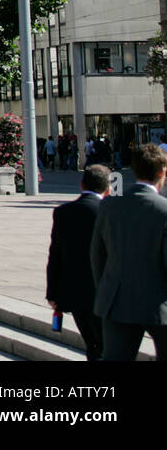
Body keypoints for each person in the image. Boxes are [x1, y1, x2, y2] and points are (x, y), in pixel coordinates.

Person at [90, 144, 167, 360]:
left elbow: (97, 255)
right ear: (162, 172)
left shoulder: (109, 206)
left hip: (116, 301)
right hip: (159, 304)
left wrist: (105, 289)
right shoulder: (164, 210)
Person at [45, 164, 111, 361]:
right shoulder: (109, 212)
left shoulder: (63, 212)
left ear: (82, 185)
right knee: (107, 344)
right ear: (108, 189)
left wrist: (52, 292)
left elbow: (54, 255)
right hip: (105, 291)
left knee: (91, 343)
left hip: (73, 291)